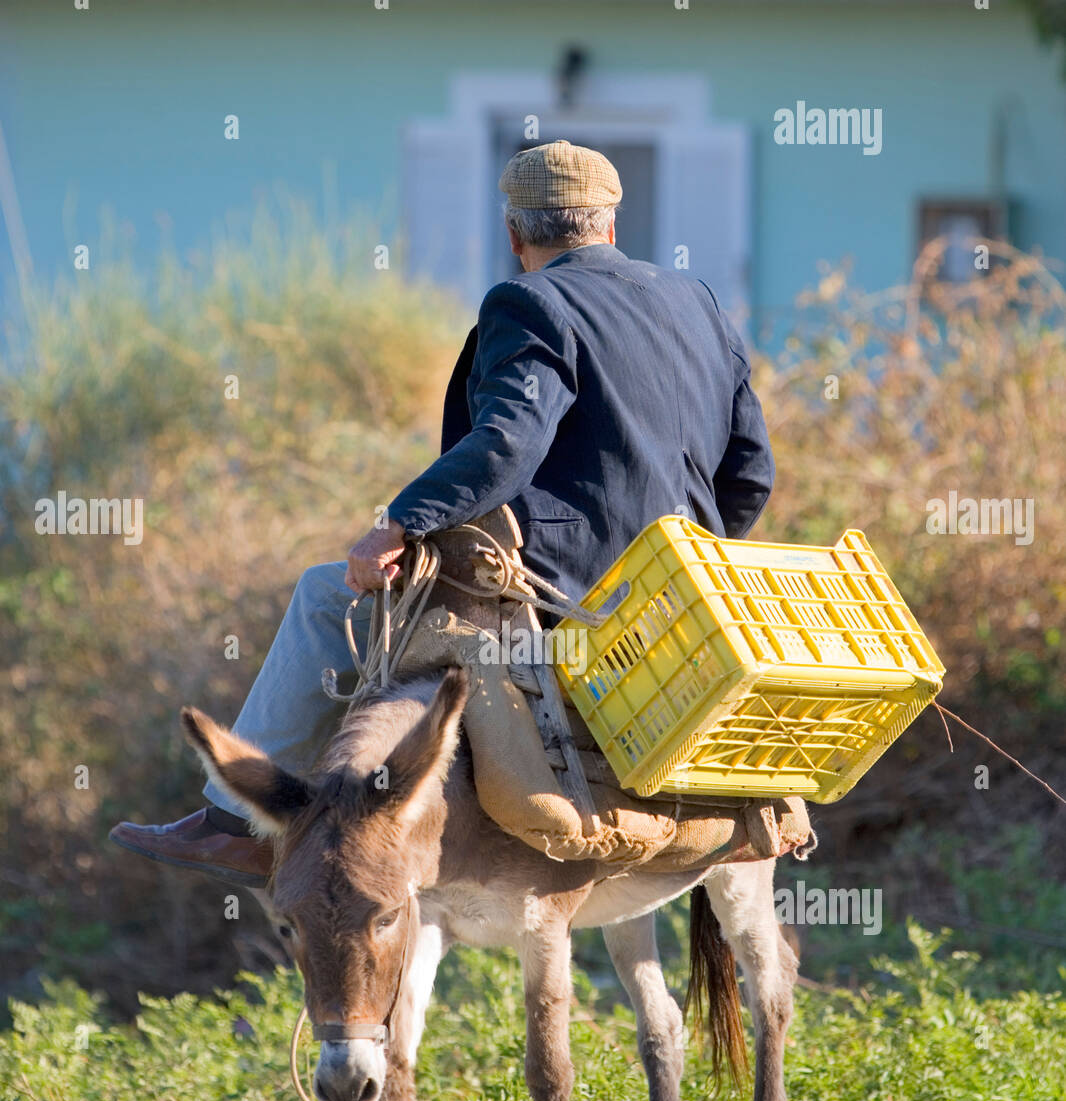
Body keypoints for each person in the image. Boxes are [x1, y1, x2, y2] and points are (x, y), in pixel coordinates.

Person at [110, 139, 775, 888]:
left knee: (326, 596)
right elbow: (751, 474)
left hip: (560, 598)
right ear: (611, 227)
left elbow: (506, 445)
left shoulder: (529, 301)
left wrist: (397, 523)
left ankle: (235, 827)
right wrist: (674, 568)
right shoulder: (700, 301)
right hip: (674, 603)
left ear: (515, 235)